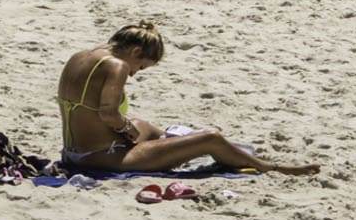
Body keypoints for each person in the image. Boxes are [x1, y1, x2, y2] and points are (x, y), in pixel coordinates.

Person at [56, 23, 320, 175]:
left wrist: (130, 128)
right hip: (102, 157)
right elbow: (108, 114)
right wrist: (125, 131)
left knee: (142, 125)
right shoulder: (117, 66)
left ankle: (180, 143)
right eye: (141, 66)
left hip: (73, 151)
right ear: (135, 51)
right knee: (210, 138)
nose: (135, 74)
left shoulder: (83, 56)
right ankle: (268, 166)